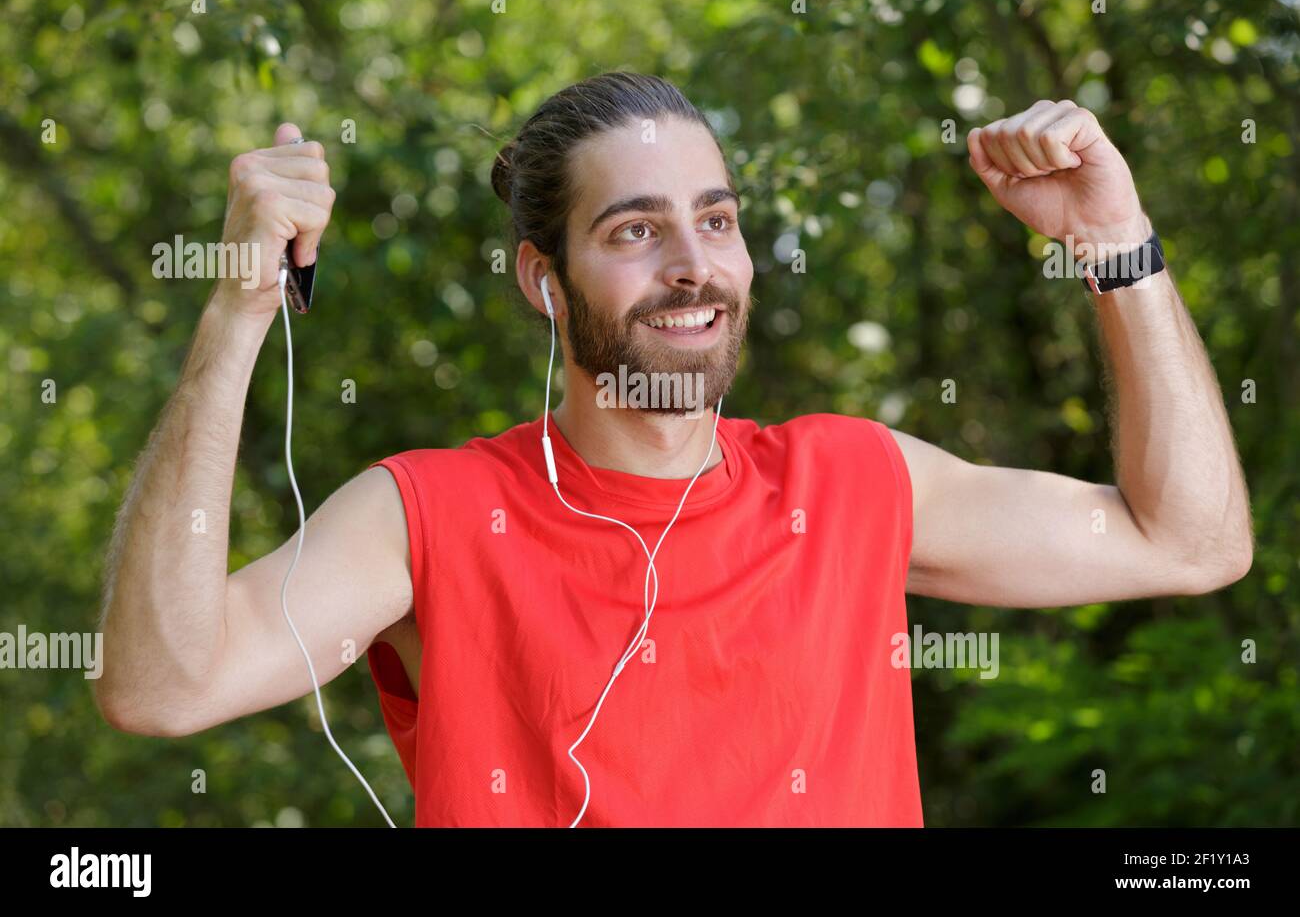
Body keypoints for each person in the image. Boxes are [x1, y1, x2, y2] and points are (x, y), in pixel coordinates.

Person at [95, 71, 1253, 827]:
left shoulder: (853, 481)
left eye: (716, 218)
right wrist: (238, 308)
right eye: (635, 229)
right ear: (544, 280)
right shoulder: (428, 514)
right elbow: (159, 683)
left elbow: (1190, 540)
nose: (693, 264)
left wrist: (1115, 243)